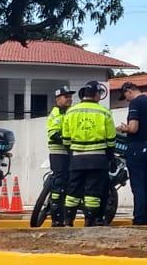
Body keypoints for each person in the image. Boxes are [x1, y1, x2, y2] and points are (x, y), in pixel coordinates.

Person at [61, 81, 117, 226]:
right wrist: (110, 157)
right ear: (97, 94)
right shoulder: (104, 112)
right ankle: (90, 222)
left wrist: (72, 152)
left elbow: (65, 138)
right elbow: (111, 139)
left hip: (77, 158)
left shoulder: (71, 112)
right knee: (93, 192)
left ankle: (68, 222)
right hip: (98, 158)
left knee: (73, 190)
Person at [116, 81, 147, 226]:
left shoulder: (135, 103)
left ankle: (139, 218)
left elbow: (133, 128)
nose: (127, 100)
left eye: (126, 96)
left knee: (138, 185)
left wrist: (123, 128)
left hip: (137, 148)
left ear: (129, 91)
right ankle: (146, 217)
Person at [45, 86, 74, 226]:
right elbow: (54, 134)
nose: (69, 99)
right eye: (66, 96)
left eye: (70, 96)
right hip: (59, 153)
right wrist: (67, 140)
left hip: (70, 152)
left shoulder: (71, 112)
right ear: (58, 99)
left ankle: (65, 216)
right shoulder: (56, 113)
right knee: (59, 184)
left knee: (70, 184)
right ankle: (56, 218)